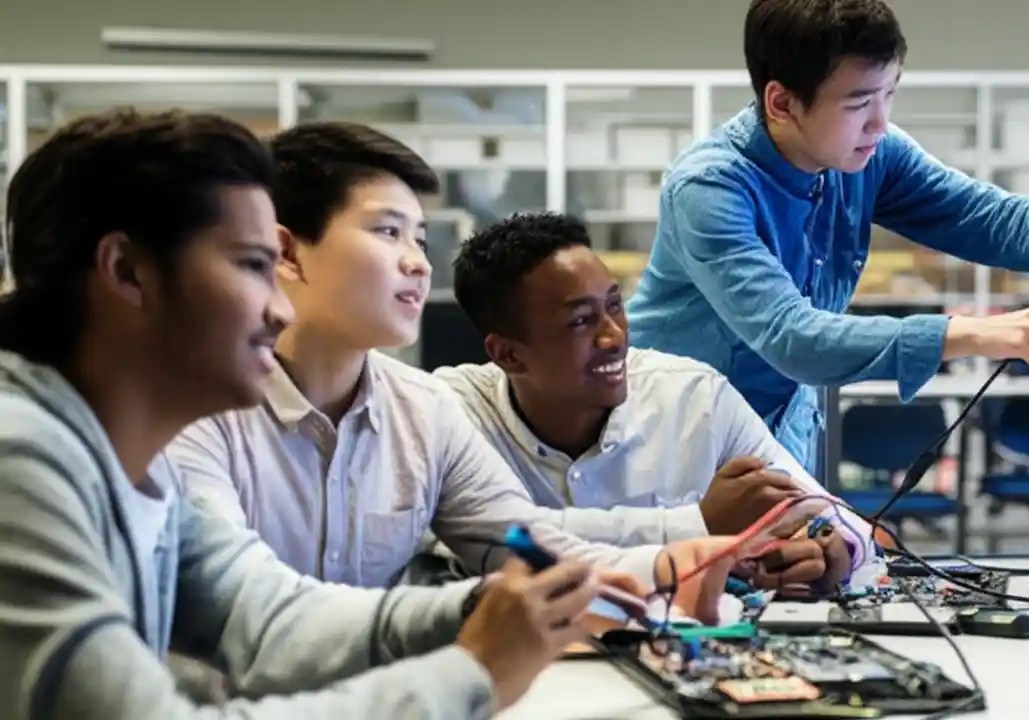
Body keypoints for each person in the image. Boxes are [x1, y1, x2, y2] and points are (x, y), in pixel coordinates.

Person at [0, 108, 652, 718]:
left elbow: (267, 615)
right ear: (126, 271)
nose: (279, 309)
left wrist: (483, 608)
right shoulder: (19, 459)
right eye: (253, 265)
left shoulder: (125, 466)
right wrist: (473, 672)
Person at [164, 121, 779, 600]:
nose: (417, 263)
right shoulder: (201, 414)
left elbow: (517, 543)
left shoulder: (424, 415)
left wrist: (675, 563)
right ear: (288, 253)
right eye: (387, 233)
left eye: (421, 240)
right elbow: (242, 597)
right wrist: (464, 613)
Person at [624, 0, 1029, 471]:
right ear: (781, 102)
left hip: (778, 437)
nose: (881, 123)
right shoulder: (709, 188)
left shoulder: (869, 153)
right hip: (674, 449)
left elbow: (979, 213)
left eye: (890, 94)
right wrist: (985, 332)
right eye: (859, 103)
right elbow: (793, 338)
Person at [437, 211, 898, 590]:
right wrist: (697, 525)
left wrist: (832, 552)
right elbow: (504, 540)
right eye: (580, 321)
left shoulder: (693, 396)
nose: (614, 336)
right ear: (508, 353)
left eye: (614, 305)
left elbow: (837, 520)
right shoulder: (454, 412)